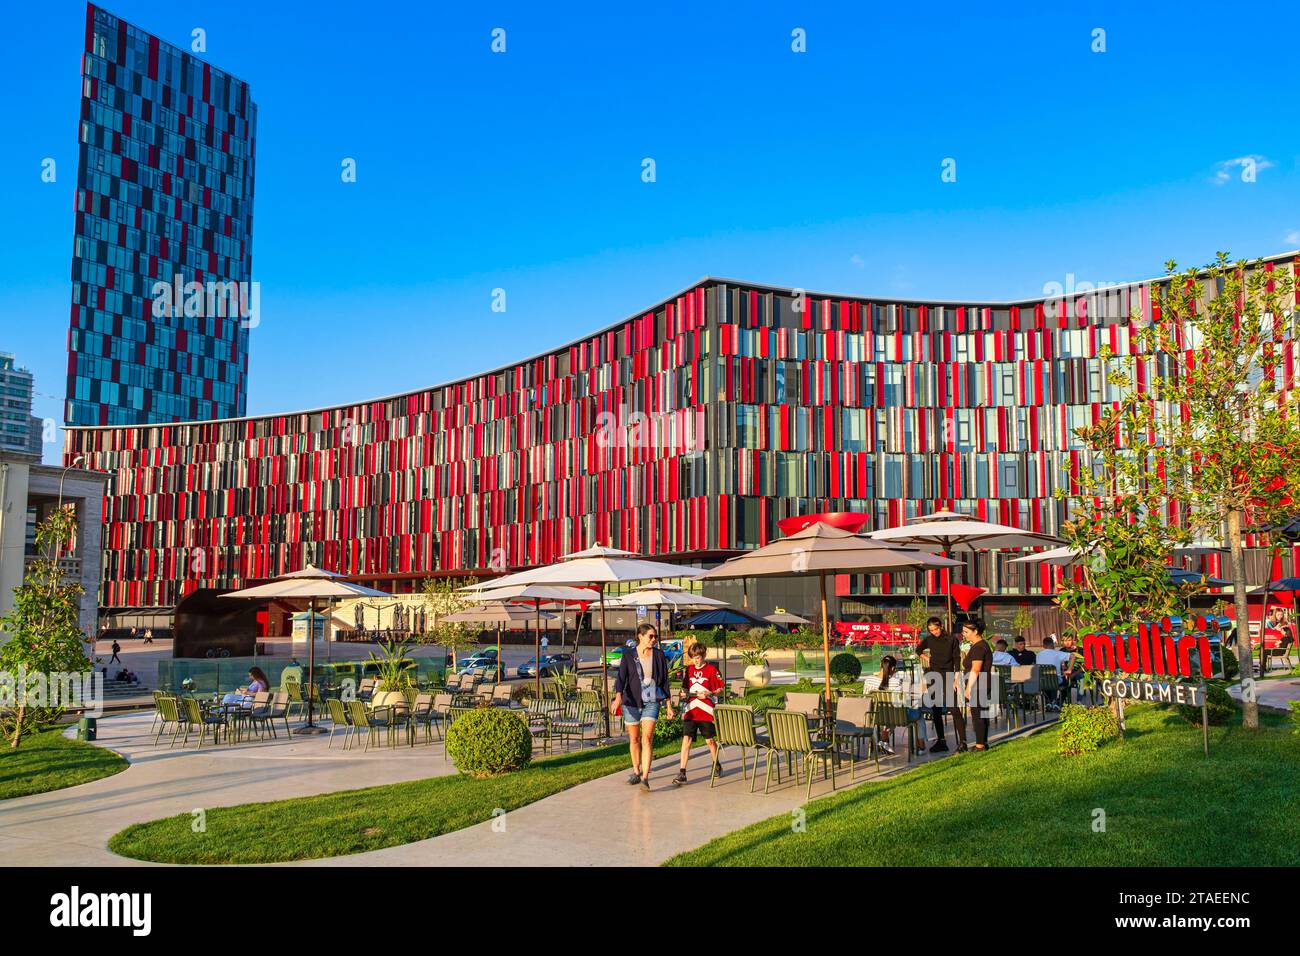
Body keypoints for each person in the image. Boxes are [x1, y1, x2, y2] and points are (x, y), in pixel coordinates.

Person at [611, 623, 674, 791]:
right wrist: (617, 698)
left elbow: (665, 682)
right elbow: (621, 679)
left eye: (655, 637)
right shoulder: (628, 656)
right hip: (631, 702)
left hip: (652, 701)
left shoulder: (659, 656)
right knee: (634, 739)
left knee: (646, 739)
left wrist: (668, 705)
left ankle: (645, 778)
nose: (653, 640)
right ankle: (636, 771)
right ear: (640, 636)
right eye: (650, 636)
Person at [673, 641, 724, 786]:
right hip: (691, 710)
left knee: (710, 741)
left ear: (704, 655)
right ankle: (682, 772)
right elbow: (684, 688)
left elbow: (720, 688)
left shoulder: (712, 670)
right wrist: (684, 694)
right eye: (694, 657)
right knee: (686, 740)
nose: (697, 660)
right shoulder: (688, 670)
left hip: (706, 710)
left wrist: (710, 693)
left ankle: (717, 764)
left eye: (699, 656)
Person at [915, 616, 962, 753]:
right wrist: (927, 658)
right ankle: (941, 740)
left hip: (948, 675)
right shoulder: (929, 640)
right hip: (933, 675)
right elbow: (918, 650)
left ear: (941, 626)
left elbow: (957, 659)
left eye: (935, 629)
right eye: (931, 630)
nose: (934, 632)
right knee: (936, 709)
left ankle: (962, 741)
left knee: (954, 709)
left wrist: (956, 678)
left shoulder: (952, 639)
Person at [960, 620, 993, 751]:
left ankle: (980, 745)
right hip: (983, 683)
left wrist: (968, 688)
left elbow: (975, 669)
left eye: (966, 632)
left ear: (976, 631)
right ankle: (983, 742)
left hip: (978, 685)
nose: (964, 634)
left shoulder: (979, 647)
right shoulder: (979, 645)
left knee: (977, 715)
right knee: (981, 714)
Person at [1035, 637, 1071, 709]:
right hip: (1055, 681)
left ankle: (1048, 702)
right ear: (1053, 644)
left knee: (1047, 680)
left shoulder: (1038, 655)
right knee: (1067, 683)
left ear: (1044, 646)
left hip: (1042, 682)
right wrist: (1069, 669)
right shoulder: (1057, 653)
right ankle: (1058, 702)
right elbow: (1073, 656)